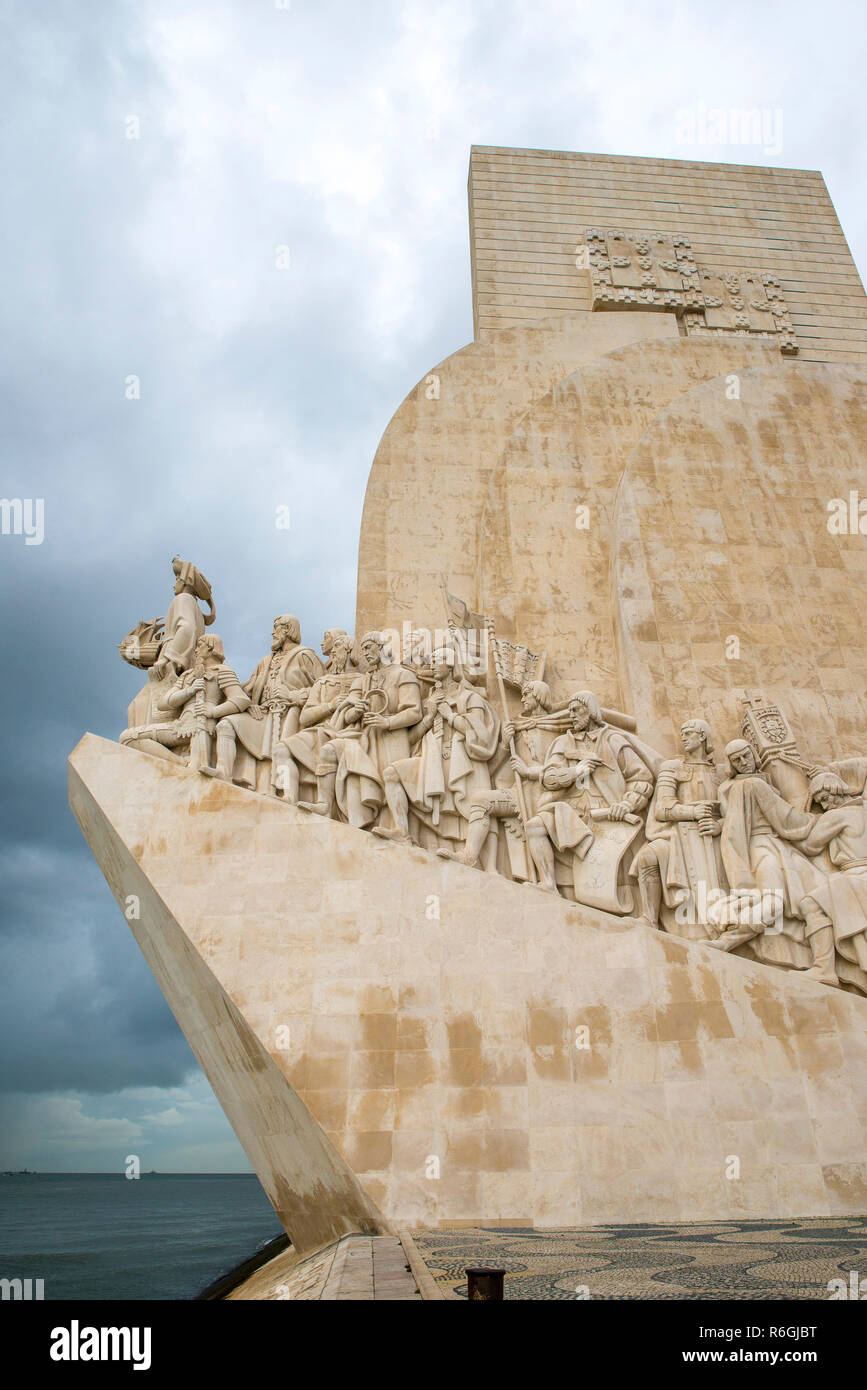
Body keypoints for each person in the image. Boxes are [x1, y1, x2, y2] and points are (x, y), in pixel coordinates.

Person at [525, 690, 654, 895]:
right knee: (534, 826)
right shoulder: (562, 743)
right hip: (570, 811)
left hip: (604, 809)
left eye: (576, 710)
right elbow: (549, 778)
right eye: (569, 711)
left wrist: (626, 804)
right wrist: (576, 771)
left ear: (590, 710)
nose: (572, 715)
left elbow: (641, 778)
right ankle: (548, 883)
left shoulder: (613, 740)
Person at [374, 641, 499, 850]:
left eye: (436, 660)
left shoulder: (470, 698)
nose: (431, 665)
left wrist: (451, 717)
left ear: (450, 665)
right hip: (431, 761)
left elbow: (481, 736)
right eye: (431, 660)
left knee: (476, 808)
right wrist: (429, 717)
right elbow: (411, 739)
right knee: (391, 774)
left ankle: (476, 857)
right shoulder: (428, 700)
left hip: (461, 762)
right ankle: (402, 832)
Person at [300, 631, 423, 829]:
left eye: (368, 647)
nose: (364, 653)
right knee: (329, 750)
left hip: (391, 738)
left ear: (381, 646)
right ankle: (324, 804)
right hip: (363, 737)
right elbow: (348, 716)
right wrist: (355, 711)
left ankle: (401, 830)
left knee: (390, 780)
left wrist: (387, 722)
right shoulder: (364, 680)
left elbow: (415, 711)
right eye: (362, 649)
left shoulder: (403, 674)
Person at [203, 614, 322, 788]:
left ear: (288, 630)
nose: (272, 633)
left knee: (284, 752)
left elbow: (324, 687)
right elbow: (247, 690)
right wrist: (250, 705)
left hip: (289, 715)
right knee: (226, 725)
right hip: (263, 715)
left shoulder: (305, 655)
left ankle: (286, 791)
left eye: (277, 628)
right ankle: (223, 773)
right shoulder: (265, 661)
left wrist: (293, 695)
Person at [631, 717, 723, 927]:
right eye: (682, 733)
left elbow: (735, 811)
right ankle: (649, 917)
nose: (683, 737)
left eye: (689, 732)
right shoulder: (671, 767)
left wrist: (720, 825)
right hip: (675, 834)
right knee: (647, 857)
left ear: (703, 736)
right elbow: (662, 809)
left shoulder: (720, 773)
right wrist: (692, 811)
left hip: (710, 835)